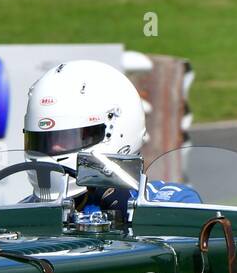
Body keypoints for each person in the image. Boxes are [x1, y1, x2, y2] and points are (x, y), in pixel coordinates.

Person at [22, 59, 199, 217]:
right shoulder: (18, 217)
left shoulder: (170, 202)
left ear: (119, 131)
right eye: (40, 140)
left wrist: (131, 214)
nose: (54, 150)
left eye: (67, 138)